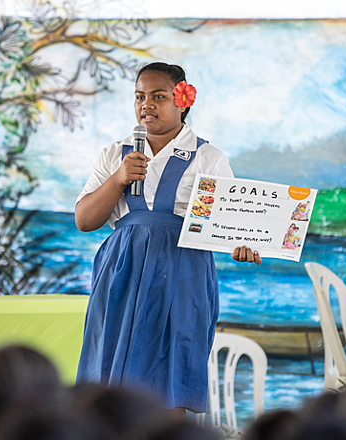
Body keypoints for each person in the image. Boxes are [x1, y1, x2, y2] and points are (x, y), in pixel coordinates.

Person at [75, 62, 260, 415]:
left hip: (183, 273)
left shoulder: (209, 158)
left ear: (182, 101)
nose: (147, 104)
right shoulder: (116, 154)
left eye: (159, 96)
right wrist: (118, 180)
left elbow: (231, 224)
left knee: (172, 365)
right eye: (140, 96)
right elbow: (84, 220)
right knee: (113, 364)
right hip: (122, 273)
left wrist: (242, 243)